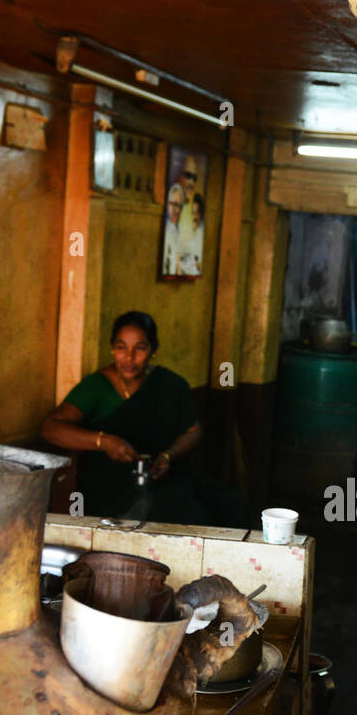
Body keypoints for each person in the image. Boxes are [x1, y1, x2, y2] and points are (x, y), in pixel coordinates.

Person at [41, 311, 237, 526]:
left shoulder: (170, 385)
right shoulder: (95, 387)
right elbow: (50, 430)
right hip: (106, 490)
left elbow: (193, 432)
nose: (129, 357)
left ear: (153, 350)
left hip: (162, 482)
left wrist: (167, 456)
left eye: (140, 348)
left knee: (224, 505)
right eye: (121, 347)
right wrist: (104, 442)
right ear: (112, 348)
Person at [178, 191, 204, 276]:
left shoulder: (201, 234)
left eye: (197, 213)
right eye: (192, 213)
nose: (194, 217)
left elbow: (198, 267)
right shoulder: (191, 233)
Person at [162, 184, 185, 275]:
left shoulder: (178, 231)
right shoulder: (165, 231)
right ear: (168, 205)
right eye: (174, 204)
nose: (177, 210)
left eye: (179, 206)